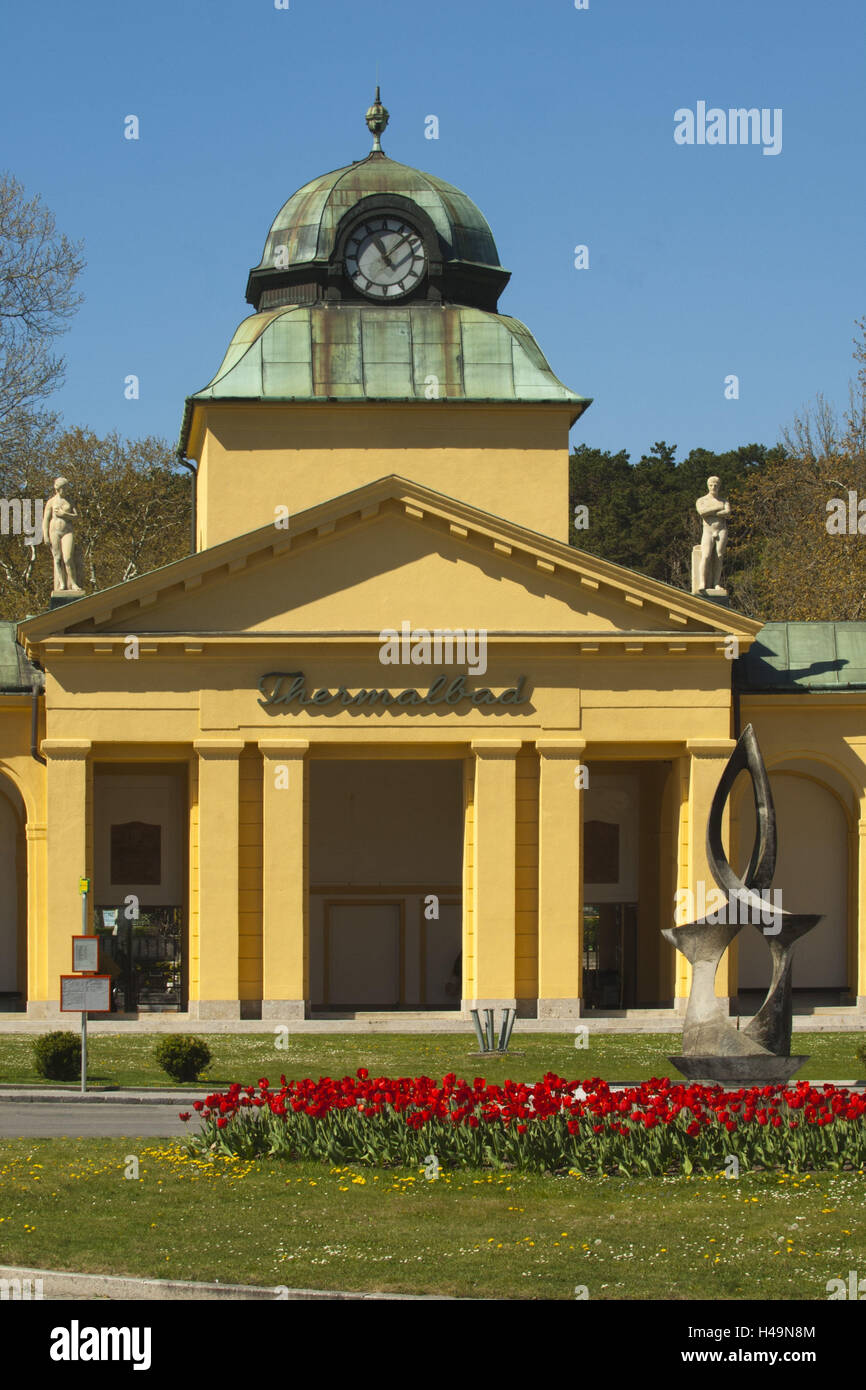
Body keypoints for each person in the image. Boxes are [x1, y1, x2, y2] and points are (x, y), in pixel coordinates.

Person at [42, 477, 83, 591]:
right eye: (64, 488)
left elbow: (77, 516)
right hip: (54, 531)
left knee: (68, 558)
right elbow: (45, 519)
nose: (66, 490)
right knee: (58, 559)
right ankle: (62, 584)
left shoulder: (70, 501)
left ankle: (73, 583)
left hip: (67, 531)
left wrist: (64, 514)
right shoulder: (51, 502)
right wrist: (45, 535)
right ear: (58, 489)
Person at [695, 476, 730, 591]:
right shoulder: (702, 500)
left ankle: (716, 583)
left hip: (721, 529)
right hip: (708, 530)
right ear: (708, 486)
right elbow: (702, 512)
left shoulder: (724, 501)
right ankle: (702, 583)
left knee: (719, 556)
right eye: (711, 485)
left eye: (715, 485)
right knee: (706, 555)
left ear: (719, 486)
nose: (713, 487)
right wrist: (717, 508)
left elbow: (727, 512)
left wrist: (712, 512)